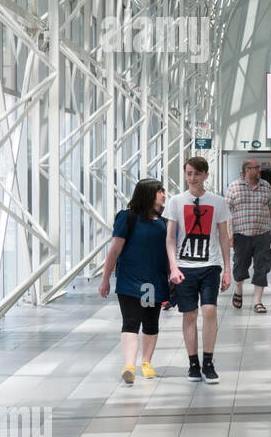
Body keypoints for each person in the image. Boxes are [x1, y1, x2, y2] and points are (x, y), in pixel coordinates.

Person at [165, 156, 232, 384]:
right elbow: (170, 238)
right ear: (185, 174)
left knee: (209, 311)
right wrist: (173, 267)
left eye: (197, 173)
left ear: (206, 175)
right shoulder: (175, 201)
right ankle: (193, 363)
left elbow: (224, 236)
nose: (193, 178)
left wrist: (227, 269)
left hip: (210, 265)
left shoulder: (218, 202)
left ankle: (209, 361)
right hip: (185, 267)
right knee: (189, 314)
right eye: (189, 173)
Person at [98, 178, 169, 384]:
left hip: (153, 283)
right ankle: (129, 365)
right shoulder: (127, 217)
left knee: (150, 322)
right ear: (148, 194)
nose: (163, 194)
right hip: (130, 281)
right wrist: (105, 279)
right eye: (160, 191)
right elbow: (114, 250)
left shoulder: (163, 221)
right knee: (130, 321)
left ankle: (146, 362)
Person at [226, 157, 271, 315]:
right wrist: (228, 234)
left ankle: (258, 301)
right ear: (247, 170)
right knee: (239, 266)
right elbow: (226, 212)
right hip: (241, 235)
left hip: (262, 234)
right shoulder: (234, 187)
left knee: (262, 267)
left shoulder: (266, 186)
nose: (260, 170)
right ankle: (238, 290)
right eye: (257, 167)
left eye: (259, 167)